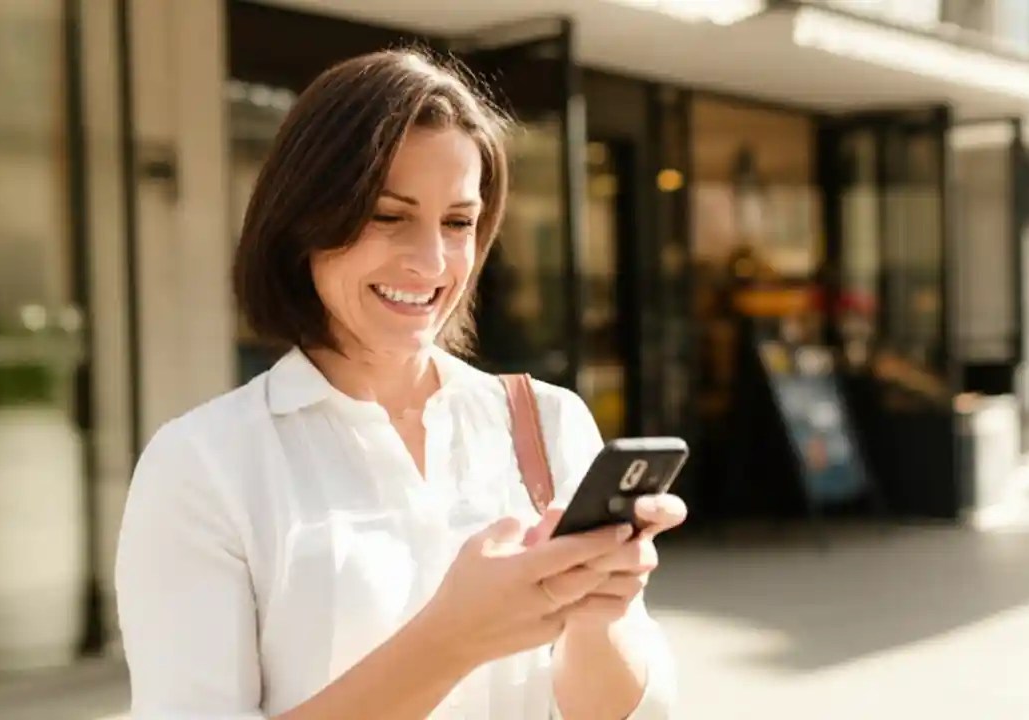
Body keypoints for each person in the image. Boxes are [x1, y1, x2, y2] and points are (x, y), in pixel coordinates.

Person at [114, 49, 686, 719]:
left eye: (458, 222)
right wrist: (450, 641)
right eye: (389, 216)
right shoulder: (204, 465)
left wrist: (599, 613)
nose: (432, 262)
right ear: (304, 220)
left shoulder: (549, 422)